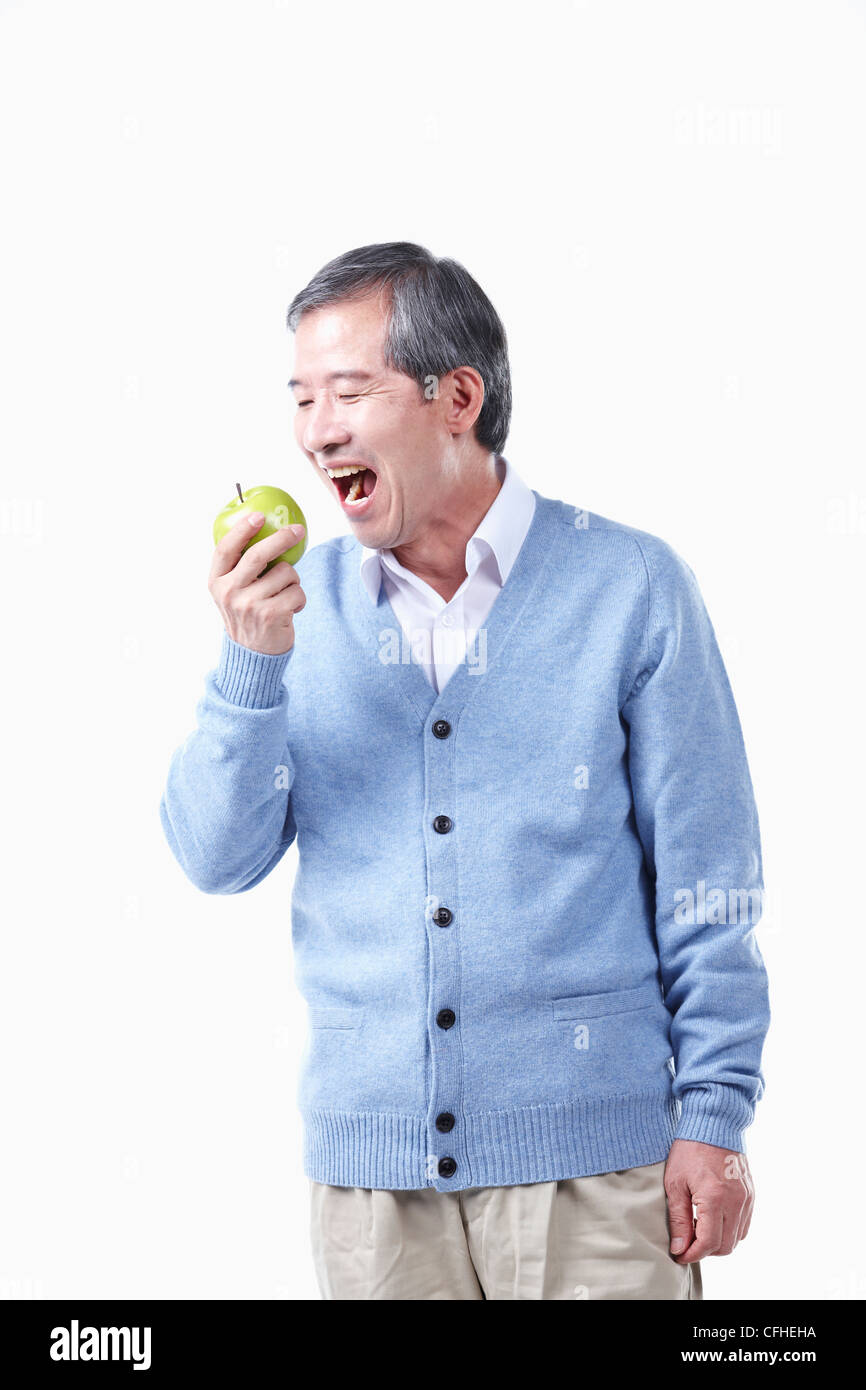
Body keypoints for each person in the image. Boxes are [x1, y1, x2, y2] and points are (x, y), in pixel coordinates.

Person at [160, 242, 770, 1301]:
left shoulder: (628, 585)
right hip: (371, 1195)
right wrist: (249, 664)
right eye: (301, 398)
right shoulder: (291, 604)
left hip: (596, 1175)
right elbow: (214, 859)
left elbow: (707, 880)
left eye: (349, 390)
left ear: (457, 397)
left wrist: (712, 1117)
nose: (315, 430)